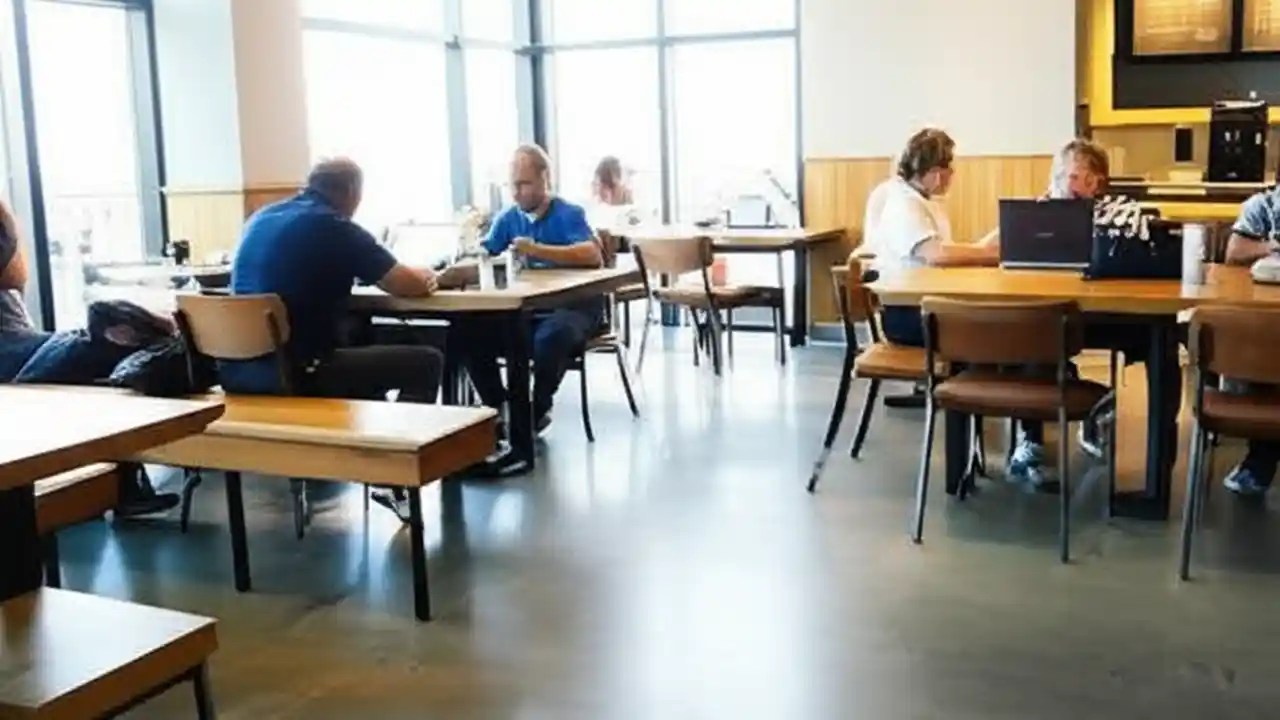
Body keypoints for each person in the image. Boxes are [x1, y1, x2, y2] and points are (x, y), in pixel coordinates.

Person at [225, 158, 445, 520]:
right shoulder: (335, 227)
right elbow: (408, 284)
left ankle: (372, 448)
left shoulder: (262, 216)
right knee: (426, 361)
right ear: (352, 192)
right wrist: (431, 276)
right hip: (299, 372)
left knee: (360, 336)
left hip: (239, 371)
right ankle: (393, 475)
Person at [0, 200, 180, 516]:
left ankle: (125, 485)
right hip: (10, 350)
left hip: (20, 346)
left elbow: (14, 272)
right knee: (100, 353)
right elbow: (15, 272)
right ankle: (125, 486)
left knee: (100, 356)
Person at [450, 144, 604, 448]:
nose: (517, 192)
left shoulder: (570, 214)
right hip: (525, 311)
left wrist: (536, 249)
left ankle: (537, 408)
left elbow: (592, 254)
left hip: (572, 308)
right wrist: (451, 272)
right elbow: (486, 254)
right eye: (513, 185)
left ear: (545, 180)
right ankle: (501, 408)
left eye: (524, 184)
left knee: (551, 337)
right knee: (466, 332)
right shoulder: (507, 219)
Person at [868, 128, 999, 347]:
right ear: (936, 171)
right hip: (906, 314)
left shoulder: (923, 199)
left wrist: (1001, 235)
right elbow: (937, 255)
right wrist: (991, 255)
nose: (952, 174)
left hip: (922, 305)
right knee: (992, 326)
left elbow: (948, 251)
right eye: (949, 167)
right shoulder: (904, 204)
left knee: (994, 322)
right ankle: (966, 378)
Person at [1217, 185, 1280, 495]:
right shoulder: (1263, 205)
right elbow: (1234, 252)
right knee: (1266, 355)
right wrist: (1272, 246)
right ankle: (1261, 462)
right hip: (1264, 323)